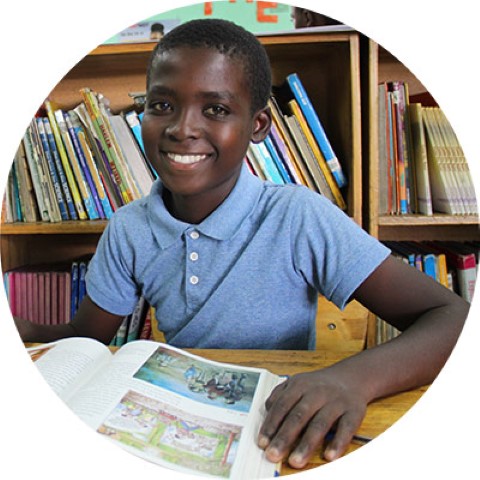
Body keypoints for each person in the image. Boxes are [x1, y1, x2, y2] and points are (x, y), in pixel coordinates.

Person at [14, 19, 469, 470]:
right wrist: (22, 329)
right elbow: (85, 339)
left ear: (258, 126)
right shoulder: (128, 228)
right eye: (162, 104)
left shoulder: (297, 215)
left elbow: (453, 319)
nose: (181, 128)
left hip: (275, 426)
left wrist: (353, 378)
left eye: (215, 109)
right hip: (178, 423)